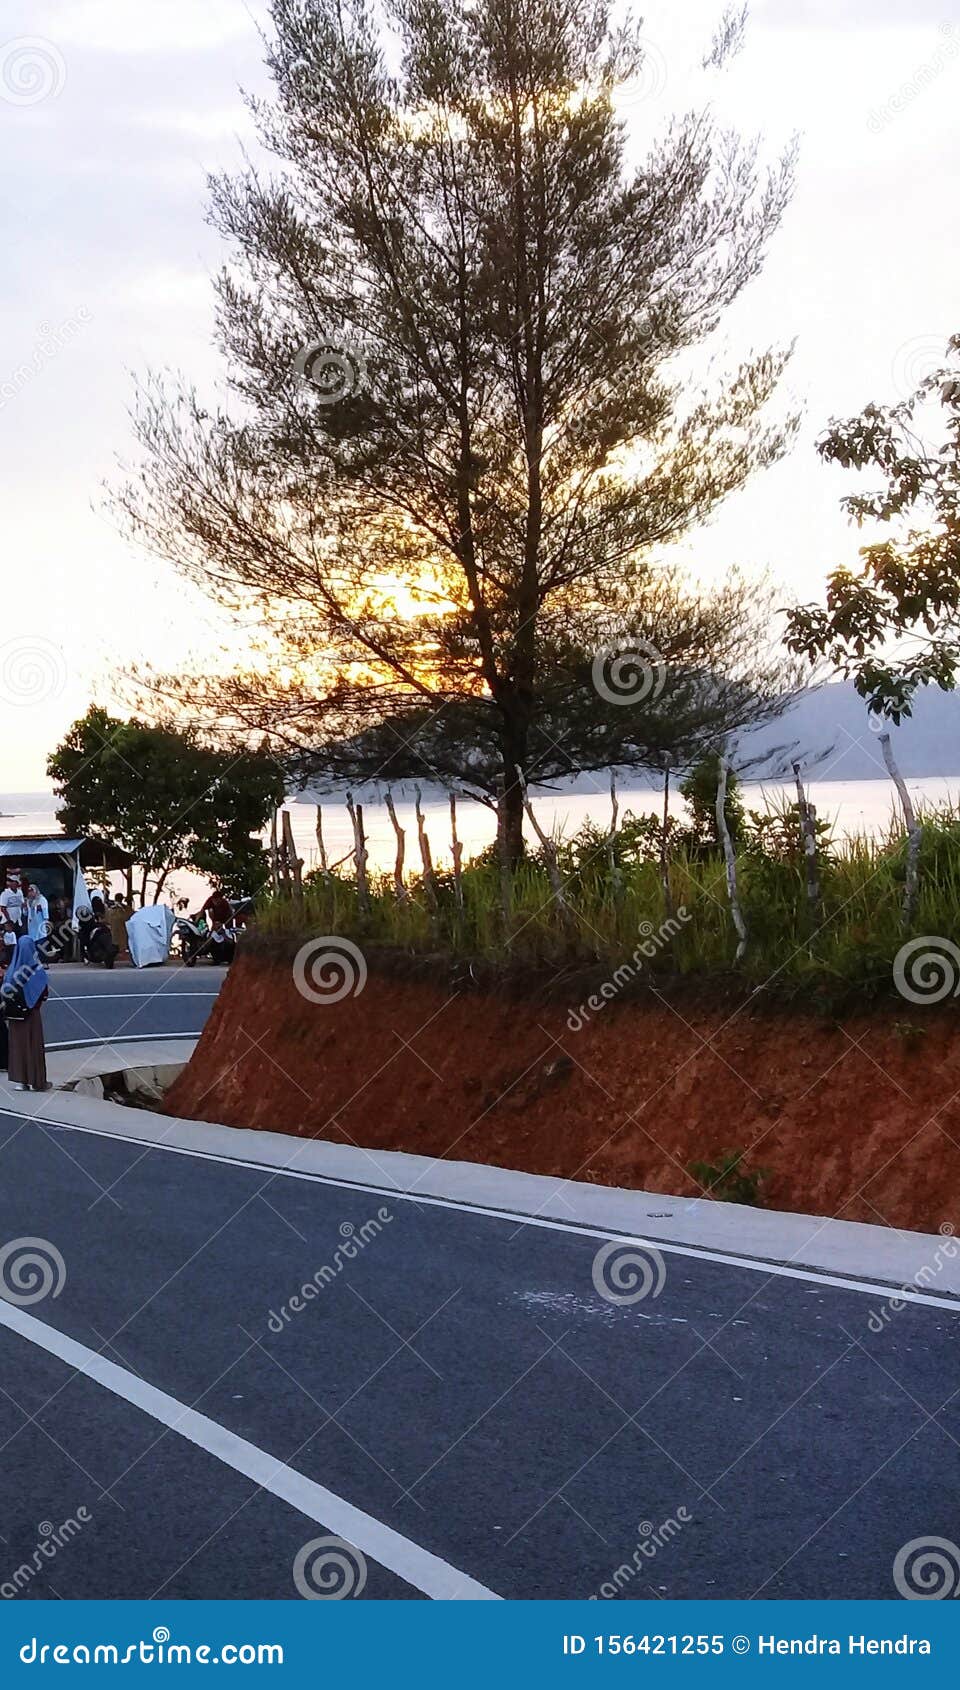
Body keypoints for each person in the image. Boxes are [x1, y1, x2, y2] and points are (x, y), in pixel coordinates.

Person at [3, 934, 49, 1091]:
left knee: (18, 1047)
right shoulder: (38, 970)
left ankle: (21, 1081)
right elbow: (44, 994)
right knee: (34, 1046)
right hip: (32, 1015)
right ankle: (37, 1081)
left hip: (15, 1016)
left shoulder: (11, 971)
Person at [0, 868, 26, 950]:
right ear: (10, 884)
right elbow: (3, 908)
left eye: (15, 882)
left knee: (18, 938)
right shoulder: (5, 893)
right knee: (9, 941)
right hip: (8, 921)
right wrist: (9, 920)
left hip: (18, 919)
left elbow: (22, 904)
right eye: (12, 882)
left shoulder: (19, 892)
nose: (14, 884)